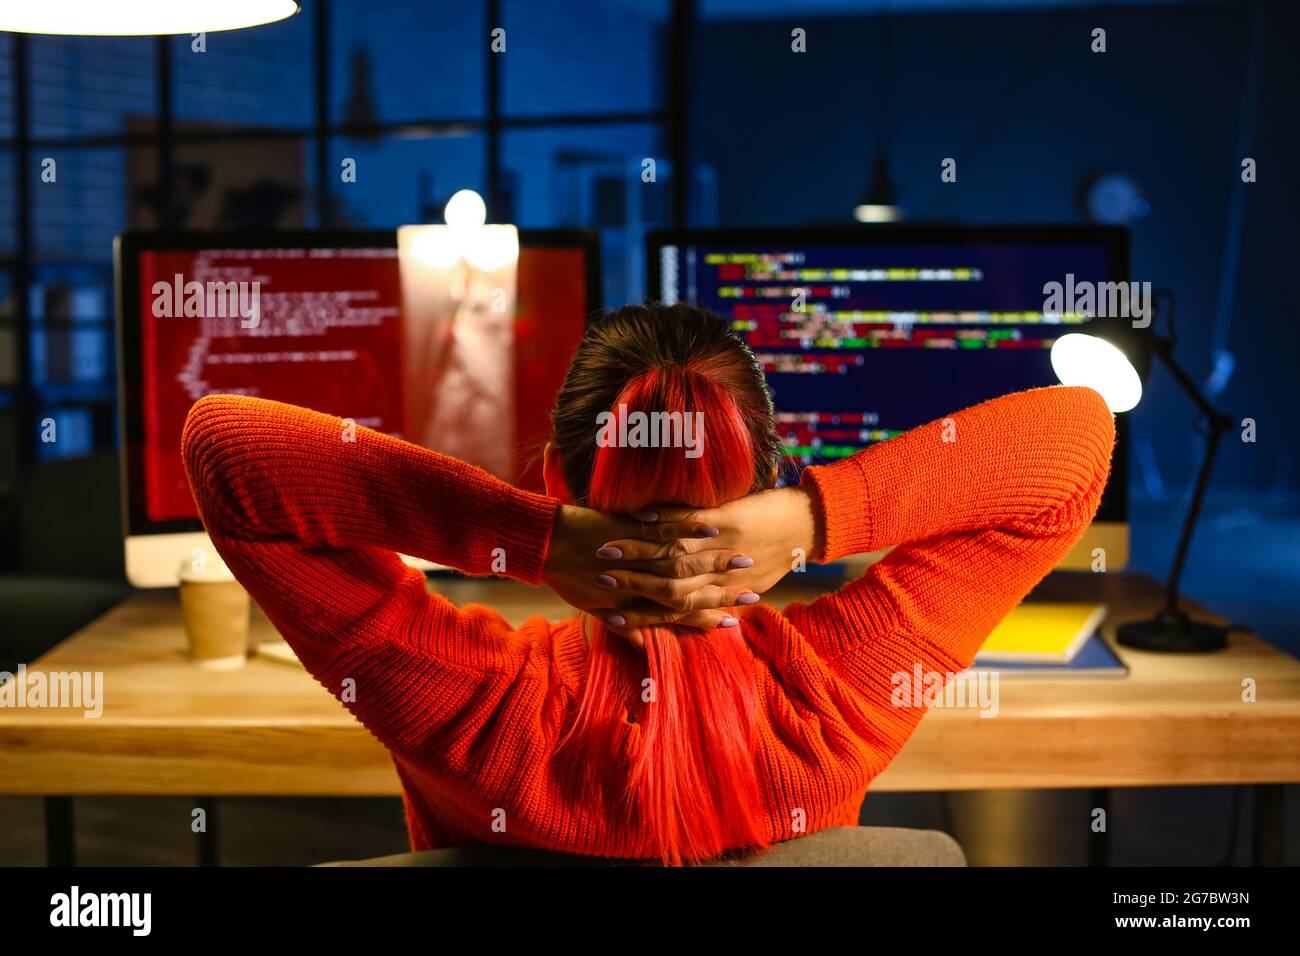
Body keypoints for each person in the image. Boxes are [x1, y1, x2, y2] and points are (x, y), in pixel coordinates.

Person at [182, 303, 1115, 866]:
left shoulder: (470, 707)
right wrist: (815, 520)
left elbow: (224, 449)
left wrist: (528, 541)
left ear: (556, 480)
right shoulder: (842, 691)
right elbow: (1077, 439)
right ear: (760, 484)